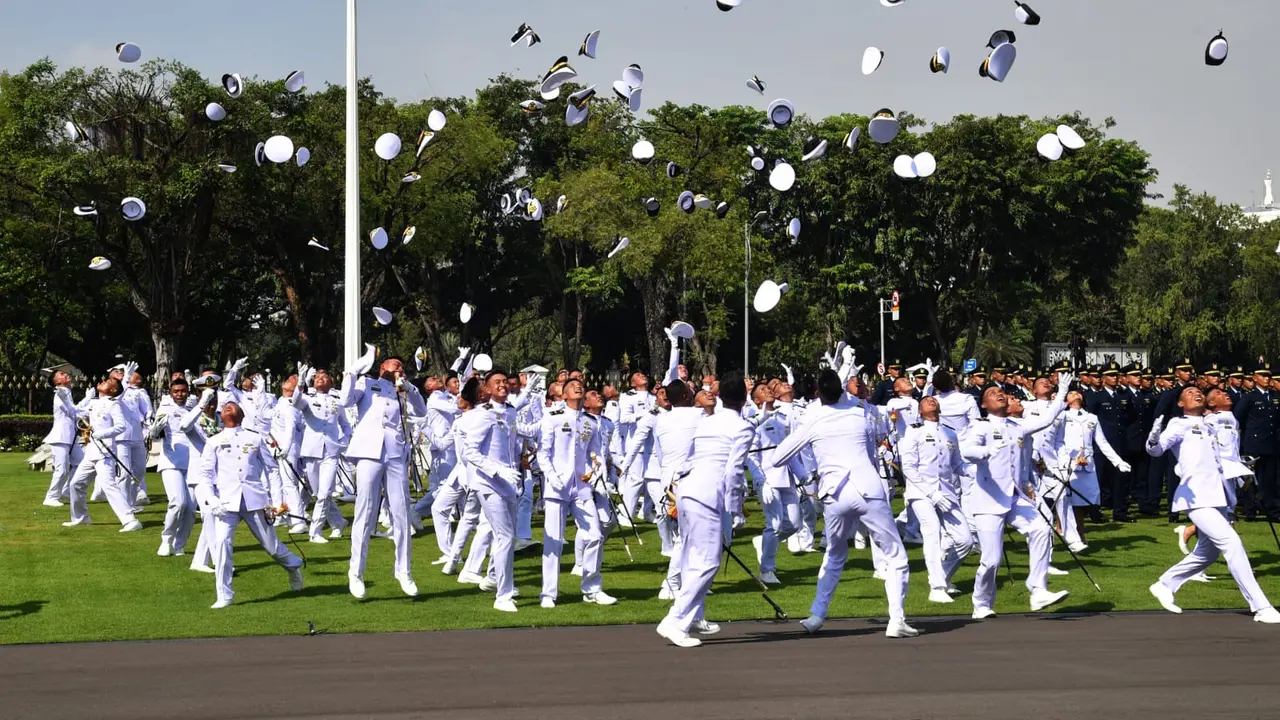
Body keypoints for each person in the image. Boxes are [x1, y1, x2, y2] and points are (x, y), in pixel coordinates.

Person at [770, 369, 917, 639]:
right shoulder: (861, 414)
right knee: (895, 555)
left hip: (835, 494)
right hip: (868, 489)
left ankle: (817, 615)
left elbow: (778, 458)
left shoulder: (815, 421)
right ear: (843, 391)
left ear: (819, 394)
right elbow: (882, 435)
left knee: (835, 555)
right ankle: (897, 619)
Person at [1146, 386, 1280, 623]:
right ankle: (1261, 606)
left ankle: (1165, 584)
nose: (1196, 393)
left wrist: (1241, 472)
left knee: (1207, 554)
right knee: (1232, 542)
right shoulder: (1178, 424)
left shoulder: (1210, 424)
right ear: (1180, 403)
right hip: (1196, 497)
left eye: (1198, 391)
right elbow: (1156, 451)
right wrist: (1153, 437)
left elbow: (1224, 457)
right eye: (1189, 392)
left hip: (1218, 495)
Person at [960, 371, 1074, 619]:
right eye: (992, 394)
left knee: (1042, 530)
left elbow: (1045, 420)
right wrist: (987, 450)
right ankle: (981, 603)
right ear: (983, 404)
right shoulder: (981, 426)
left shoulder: (1016, 426)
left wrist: (1062, 393)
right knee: (991, 561)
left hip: (1014, 496)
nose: (999, 394)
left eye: (1000, 392)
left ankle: (1038, 589)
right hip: (988, 499)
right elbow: (967, 451)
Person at [656, 373, 753, 649]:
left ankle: (693, 616)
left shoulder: (707, 422)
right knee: (708, 561)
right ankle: (675, 621)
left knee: (690, 556)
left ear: (721, 396)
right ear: (744, 399)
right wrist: (736, 509)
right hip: (707, 493)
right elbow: (734, 470)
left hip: (688, 488)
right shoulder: (742, 427)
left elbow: (691, 456)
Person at [192, 401, 304, 609]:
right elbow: (205, 474)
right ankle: (224, 594)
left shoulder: (254, 438)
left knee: (272, 547)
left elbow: (271, 470)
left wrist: (276, 501)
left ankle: (294, 566)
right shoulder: (214, 441)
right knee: (223, 546)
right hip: (226, 502)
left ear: (241, 415)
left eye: (232, 406)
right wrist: (212, 500)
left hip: (255, 500)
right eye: (224, 407)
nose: (228, 407)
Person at [341, 351, 428, 599]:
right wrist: (352, 371)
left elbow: (421, 412)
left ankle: (404, 570)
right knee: (365, 512)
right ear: (381, 367)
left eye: (402, 364)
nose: (399, 366)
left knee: (401, 514)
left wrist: (408, 387)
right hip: (370, 451)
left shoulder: (403, 390)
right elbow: (346, 401)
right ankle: (356, 573)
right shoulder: (366, 384)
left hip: (395, 453)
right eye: (394, 363)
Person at [460, 370, 538, 612]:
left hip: (510, 481)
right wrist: (496, 470)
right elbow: (469, 452)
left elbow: (517, 438)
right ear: (487, 390)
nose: (503, 385)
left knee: (507, 534)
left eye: (505, 381)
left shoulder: (511, 411)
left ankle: (494, 577)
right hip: (489, 482)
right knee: (505, 536)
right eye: (497, 382)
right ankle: (503, 596)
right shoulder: (483, 414)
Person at [536, 377, 616, 607]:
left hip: (582, 487)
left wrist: (596, 467)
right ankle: (548, 594)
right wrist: (552, 476)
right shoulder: (553, 417)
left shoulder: (590, 422)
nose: (578, 387)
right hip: (557, 487)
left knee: (595, 535)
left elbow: (595, 451)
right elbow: (544, 453)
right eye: (572, 386)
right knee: (554, 542)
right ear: (563, 394)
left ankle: (592, 588)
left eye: (580, 384)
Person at [899, 396, 972, 603]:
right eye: (926, 400)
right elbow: (909, 468)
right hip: (921, 492)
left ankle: (945, 576)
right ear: (920, 410)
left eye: (934, 400)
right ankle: (936, 587)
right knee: (932, 533)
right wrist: (932, 492)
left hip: (947, 492)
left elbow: (958, 465)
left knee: (965, 540)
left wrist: (977, 470)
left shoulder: (949, 432)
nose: (931, 402)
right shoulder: (914, 431)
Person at [1049, 390, 1131, 552]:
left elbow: (1102, 442)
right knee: (1067, 501)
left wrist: (1117, 461)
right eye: (1071, 393)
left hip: (1087, 465)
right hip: (1068, 464)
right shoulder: (1063, 416)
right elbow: (1056, 440)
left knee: (1085, 502)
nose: (1075, 395)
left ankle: (1076, 532)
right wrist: (1066, 460)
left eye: (1078, 393)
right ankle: (1073, 534)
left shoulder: (1092, 418)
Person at [64, 378, 141, 531]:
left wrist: (102, 434)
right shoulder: (93, 402)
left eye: (107, 382)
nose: (102, 381)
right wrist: (65, 397)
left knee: (109, 486)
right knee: (76, 484)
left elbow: (121, 427)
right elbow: (74, 412)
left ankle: (130, 520)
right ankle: (80, 518)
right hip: (91, 452)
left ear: (113, 390)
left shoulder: (114, 404)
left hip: (104, 453)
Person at [148, 379, 211, 557]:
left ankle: (179, 544)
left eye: (183, 391)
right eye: (176, 391)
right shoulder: (164, 408)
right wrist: (155, 429)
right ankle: (166, 540)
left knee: (191, 509)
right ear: (171, 392)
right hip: (172, 462)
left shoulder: (194, 407)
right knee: (178, 502)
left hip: (193, 462)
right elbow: (154, 435)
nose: (180, 394)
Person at [292, 366, 351, 543]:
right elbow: (295, 402)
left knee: (325, 493)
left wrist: (345, 440)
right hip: (312, 449)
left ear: (331, 382)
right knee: (319, 494)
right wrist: (301, 382)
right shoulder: (308, 399)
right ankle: (339, 522)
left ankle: (315, 532)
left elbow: (345, 424)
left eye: (324, 377)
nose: (320, 379)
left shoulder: (337, 401)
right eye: (317, 377)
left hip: (331, 450)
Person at [41, 370, 80, 507]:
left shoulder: (67, 393)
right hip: (60, 437)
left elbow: (74, 413)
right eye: (62, 375)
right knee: (62, 469)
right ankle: (51, 497)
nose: (66, 375)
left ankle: (67, 491)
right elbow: (71, 412)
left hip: (71, 437)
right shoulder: (59, 394)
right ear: (57, 382)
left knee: (82, 464)